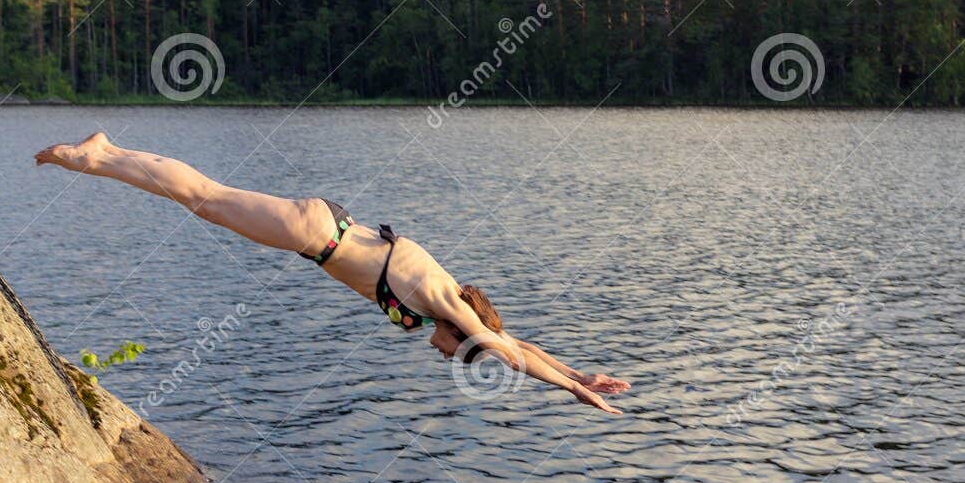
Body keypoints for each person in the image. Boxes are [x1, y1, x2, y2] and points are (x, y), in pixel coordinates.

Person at [35, 133, 629, 413]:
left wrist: (580, 371)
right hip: (315, 232)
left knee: (208, 203)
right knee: (207, 199)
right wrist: (575, 391)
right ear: (463, 334)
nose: (442, 352)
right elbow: (511, 354)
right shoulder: (448, 305)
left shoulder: (447, 307)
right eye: (454, 352)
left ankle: (106, 155)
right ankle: (100, 155)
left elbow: (516, 344)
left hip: (324, 228)